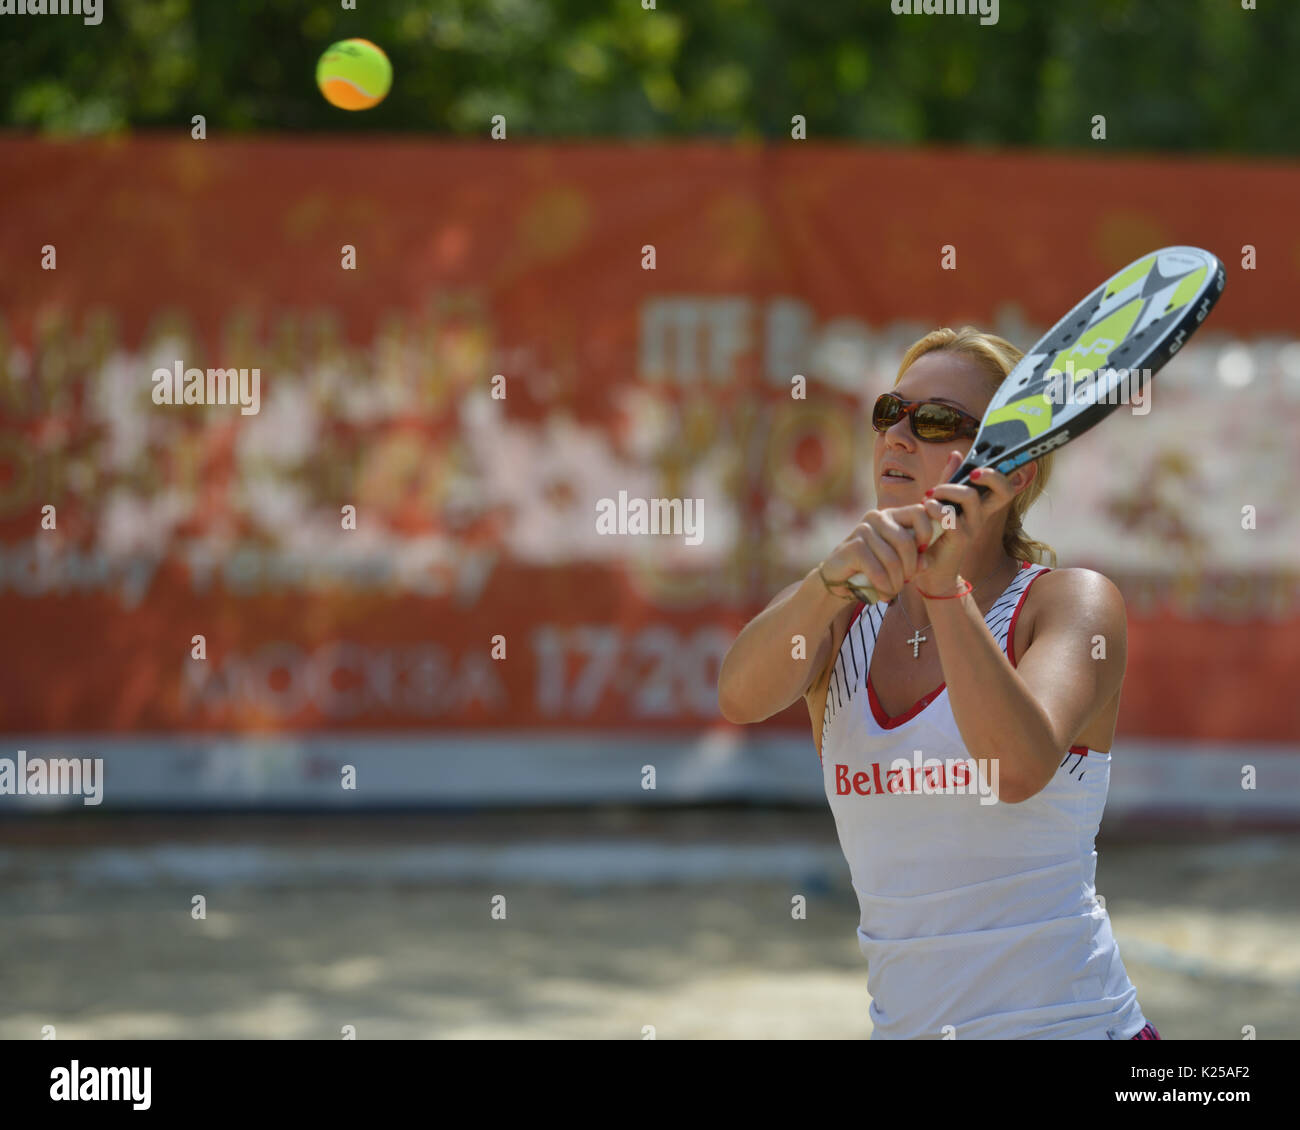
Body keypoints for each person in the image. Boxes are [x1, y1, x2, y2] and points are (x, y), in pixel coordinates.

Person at [718, 326, 1159, 1040]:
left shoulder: (1069, 603)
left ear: (1015, 473)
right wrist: (829, 580)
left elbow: (1013, 769)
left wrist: (945, 591)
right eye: (891, 412)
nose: (897, 436)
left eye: (936, 422)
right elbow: (738, 697)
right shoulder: (842, 611)